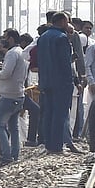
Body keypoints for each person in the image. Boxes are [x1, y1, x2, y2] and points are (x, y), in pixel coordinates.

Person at [37, 13, 75, 154]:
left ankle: (49, 144)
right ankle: (57, 146)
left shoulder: (43, 37)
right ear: (63, 21)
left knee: (48, 113)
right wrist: (70, 81)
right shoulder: (62, 38)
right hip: (61, 82)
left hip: (46, 81)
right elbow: (65, 63)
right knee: (60, 114)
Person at [0, 29, 29, 166]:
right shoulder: (21, 52)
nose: (3, 40)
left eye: (5, 37)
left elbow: (6, 73)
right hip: (19, 94)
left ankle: (6, 155)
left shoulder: (12, 53)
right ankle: (15, 154)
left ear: (11, 39)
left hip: (8, 95)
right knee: (13, 127)